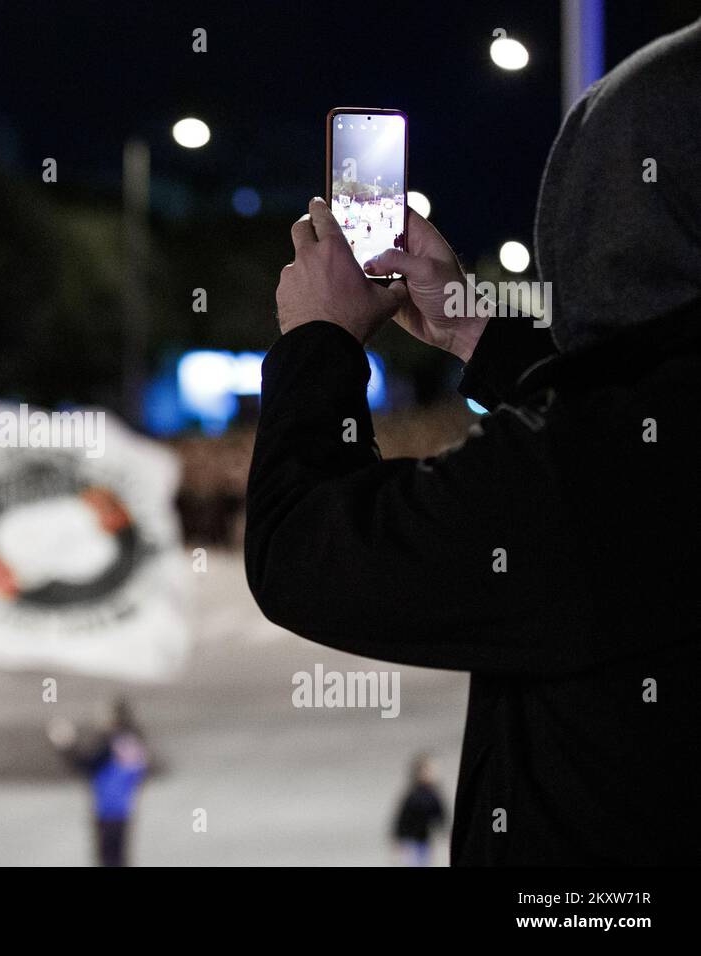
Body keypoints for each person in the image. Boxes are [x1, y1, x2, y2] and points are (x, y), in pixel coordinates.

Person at [246, 18, 701, 865]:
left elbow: (304, 551)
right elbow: (621, 403)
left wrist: (322, 340)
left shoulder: (588, 483)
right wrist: (473, 328)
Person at [48, 699, 148, 867]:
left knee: (108, 860)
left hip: (106, 809)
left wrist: (66, 744)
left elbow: (85, 765)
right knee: (119, 859)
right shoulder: (135, 740)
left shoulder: (110, 742)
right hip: (125, 808)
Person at [391, 754, 446, 867]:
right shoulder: (413, 795)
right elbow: (402, 818)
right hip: (411, 840)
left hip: (425, 839)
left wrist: (443, 828)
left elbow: (440, 814)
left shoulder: (433, 794)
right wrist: (398, 838)